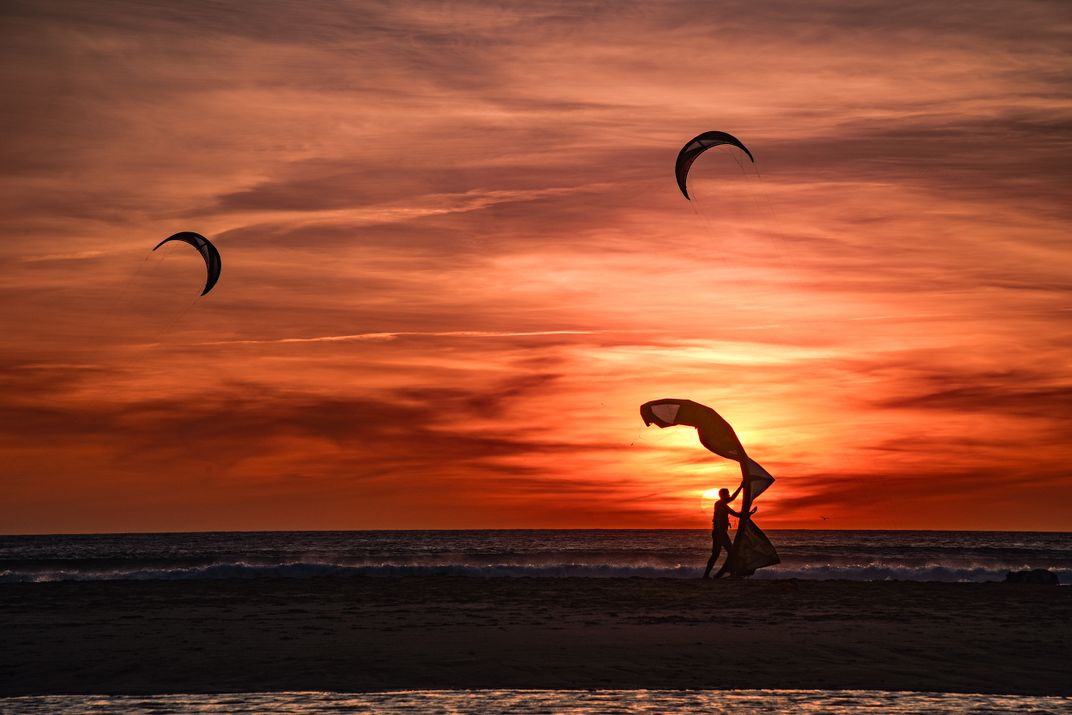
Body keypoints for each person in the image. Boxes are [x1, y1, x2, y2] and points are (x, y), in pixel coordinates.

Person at [703, 485, 757, 579]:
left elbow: (737, 514)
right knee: (731, 552)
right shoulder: (719, 504)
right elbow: (733, 502)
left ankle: (708, 575)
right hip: (720, 533)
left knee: (716, 555)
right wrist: (741, 487)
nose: (729, 495)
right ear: (722, 496)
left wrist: (749, 513)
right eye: (727, 494)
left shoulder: (723, 506)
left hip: (718, 533)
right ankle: (728, 573)